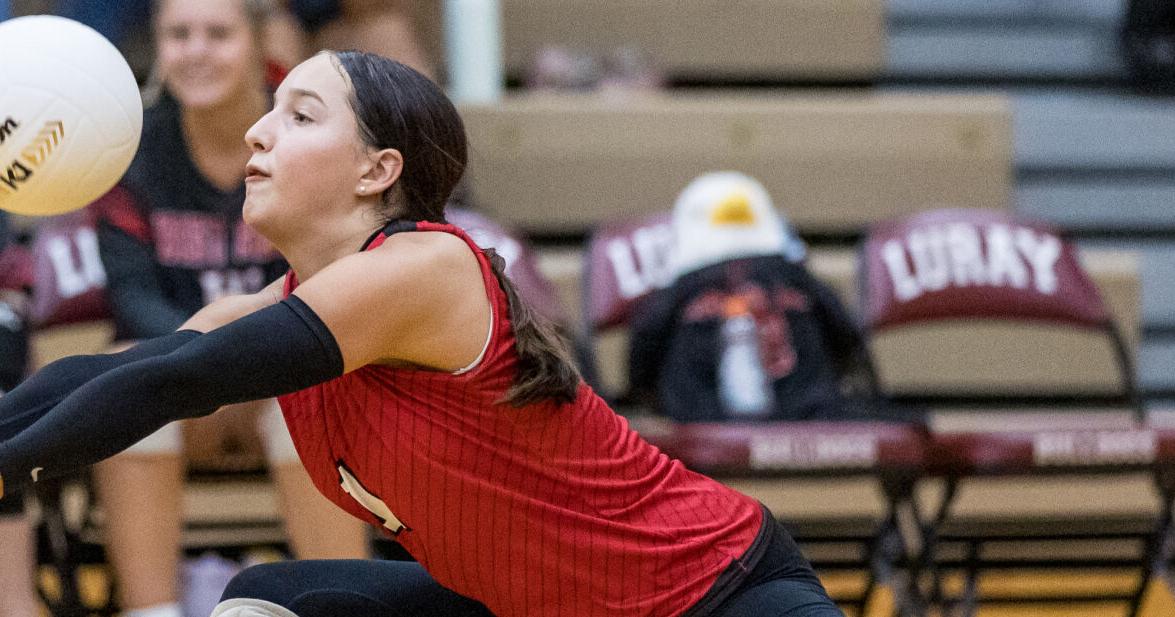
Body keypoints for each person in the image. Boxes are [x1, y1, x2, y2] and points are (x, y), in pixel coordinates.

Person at [0, 50, 843, 617]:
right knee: (265, 602)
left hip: (717, 594)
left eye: (298, 116)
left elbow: (179, 378)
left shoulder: (424, 268)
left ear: (379, 170)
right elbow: (137, 363)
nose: (257, 130)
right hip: (521, 604)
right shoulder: (301, 295)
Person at [88, 2, 366, 616]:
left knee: (319, 386)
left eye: (218, 33)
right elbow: (131, 300)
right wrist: (214, 368)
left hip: (288, 373)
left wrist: (247, 367)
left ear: (256, 40)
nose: (196, 51)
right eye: (178, 34)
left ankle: (345, 604)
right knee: (124, 375)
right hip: (179, 377)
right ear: (157, 44)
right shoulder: (125, 149)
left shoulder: (313, 134)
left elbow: (335, 284)